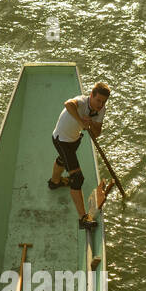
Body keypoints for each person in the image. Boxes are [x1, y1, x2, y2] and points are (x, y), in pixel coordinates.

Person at [48, 82, 111, 228]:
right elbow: (68, 104)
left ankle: (54, 182)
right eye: (98, 100)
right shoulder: (82, 101)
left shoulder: (101, 110)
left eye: (103, 102)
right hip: (61, 139)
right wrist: (81, 121)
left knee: (63, 160)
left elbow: (97, 133)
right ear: (91, 96)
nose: (100, 104)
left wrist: (92, 124)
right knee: (77, 178)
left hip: (75, 139)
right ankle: (83, 219)